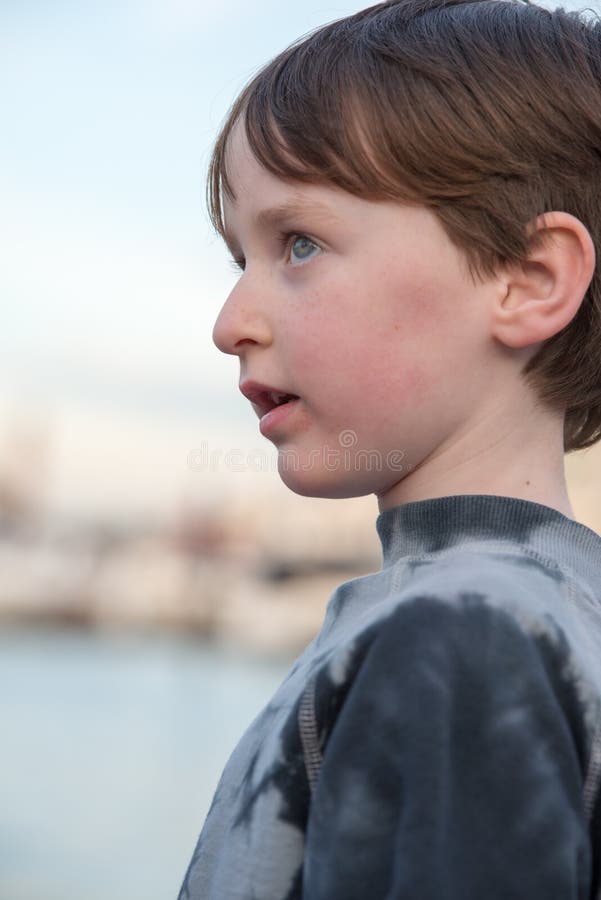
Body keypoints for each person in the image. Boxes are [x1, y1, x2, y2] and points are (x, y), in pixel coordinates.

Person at [178, 0, 601, 896]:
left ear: (528, 280)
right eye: (239, 261)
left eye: (299, 244)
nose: (229, 323)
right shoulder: (551, 618)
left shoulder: (460, 638)